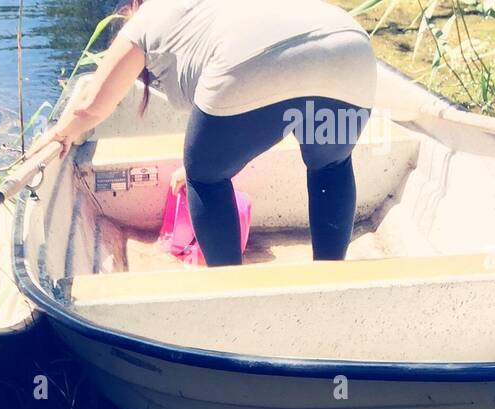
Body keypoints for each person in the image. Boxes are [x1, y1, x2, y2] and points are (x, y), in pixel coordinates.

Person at [31, 0, 377, 265]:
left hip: (255, 65)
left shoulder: (149, 17)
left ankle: (231, 294)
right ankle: (330, 279)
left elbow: (92, 104)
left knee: (206, 178)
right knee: (331, 166)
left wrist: (60, 134)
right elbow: (281, 99)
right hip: (351, 50)